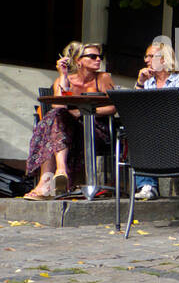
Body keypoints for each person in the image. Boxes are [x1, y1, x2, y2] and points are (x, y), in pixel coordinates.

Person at [24, 41, 114, 199]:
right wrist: (63, 75)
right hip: (66, 132)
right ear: (78, 60)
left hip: (94, 131)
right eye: (93, 56)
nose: (98, 60)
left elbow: (113, 107)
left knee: (53, 124)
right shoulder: (66, 79)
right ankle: (59, 172)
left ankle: (50, 180)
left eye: (100, 56)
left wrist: (80, 112)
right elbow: (58, 105)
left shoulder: (103, 78)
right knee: (56, 118)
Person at [132, 39, 179, 201]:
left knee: (145, 130)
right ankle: (148, 186)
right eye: (146, 57)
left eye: (151, 56)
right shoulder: (147, 82)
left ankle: (148, 185)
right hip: (152, 132)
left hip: (176, 133)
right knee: (138, 131)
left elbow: (172, 106)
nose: (146, 60)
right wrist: (139, 83)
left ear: (164, 59)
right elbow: (134, 108)